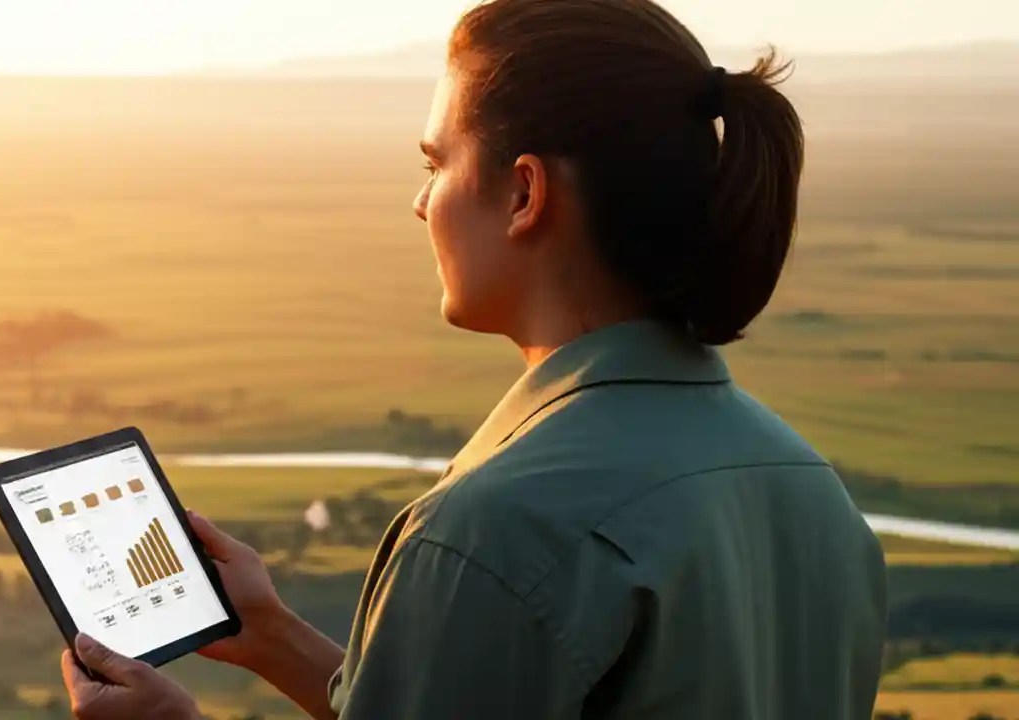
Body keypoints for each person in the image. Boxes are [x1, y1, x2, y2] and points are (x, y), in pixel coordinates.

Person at [61, 0, 888, 717]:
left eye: (436, 162)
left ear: (525, 194)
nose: (420, 202)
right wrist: (273, 637)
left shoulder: (493, 529)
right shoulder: (808, 489)